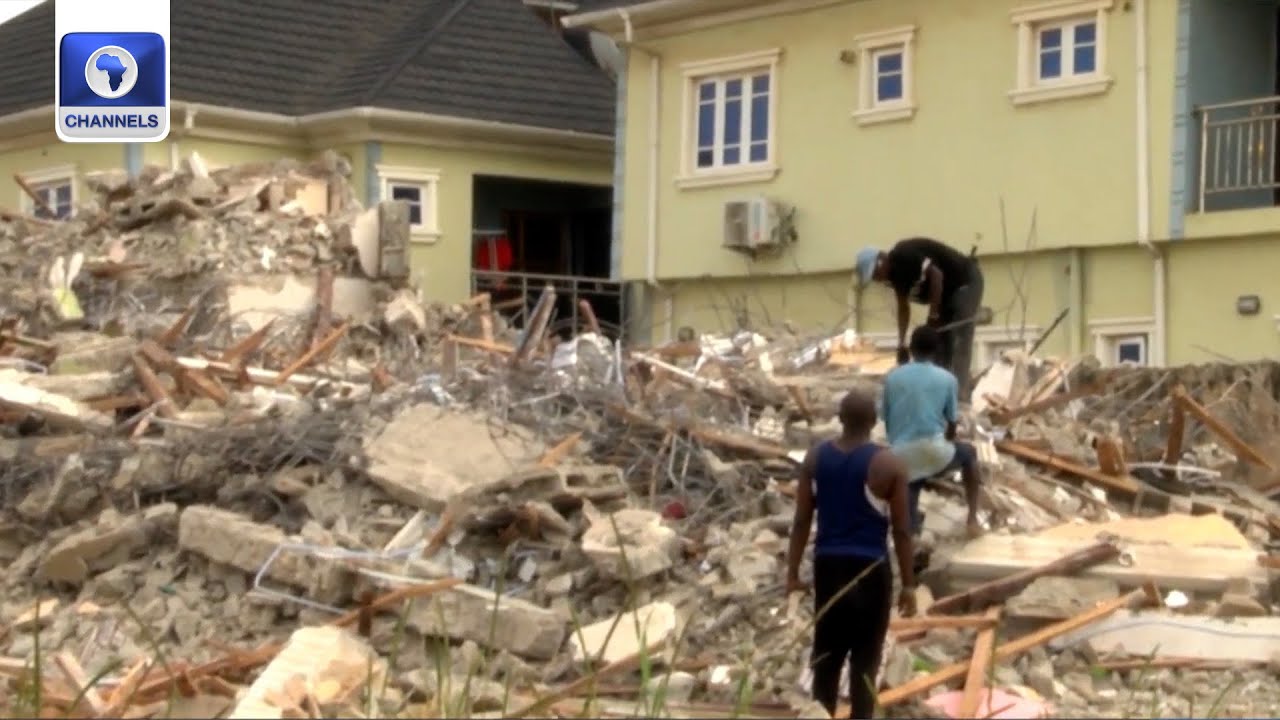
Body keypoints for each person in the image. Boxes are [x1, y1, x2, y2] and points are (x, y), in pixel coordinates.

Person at [785, 389, 917, 719]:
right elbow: (901, 530)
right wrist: (910, 585)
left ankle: (821, 714)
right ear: (874, 422)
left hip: (828, 567)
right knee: (865, 660)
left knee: (826, 656)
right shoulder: (888, 463)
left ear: (840, 419)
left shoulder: (815, 458)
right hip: (870, 570)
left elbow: (802, 520)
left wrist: (792, 574)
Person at [882, 326, 983, 547]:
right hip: (934, 452)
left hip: (899, 455)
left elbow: (887, 422)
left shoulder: (892, 378)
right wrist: (948, 439)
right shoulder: (947, 379)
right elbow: (952, 423)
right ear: (937, 351)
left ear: (911, 349)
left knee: (911, 480)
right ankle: (973, 518)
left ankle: (911, 537)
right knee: (969, 454)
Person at [855, 237, 984, 399]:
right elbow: (903, 308)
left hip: (965, 282)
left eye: (875, 273)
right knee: (938, 343)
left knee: (959, 336)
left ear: (881, 260)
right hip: (946, 295)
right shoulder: (894, 279)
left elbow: (936, 275)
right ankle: (940, 394)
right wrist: (902, 343)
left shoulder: (903, 255)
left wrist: (933, 315)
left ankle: (960, 395)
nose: (877, 279)